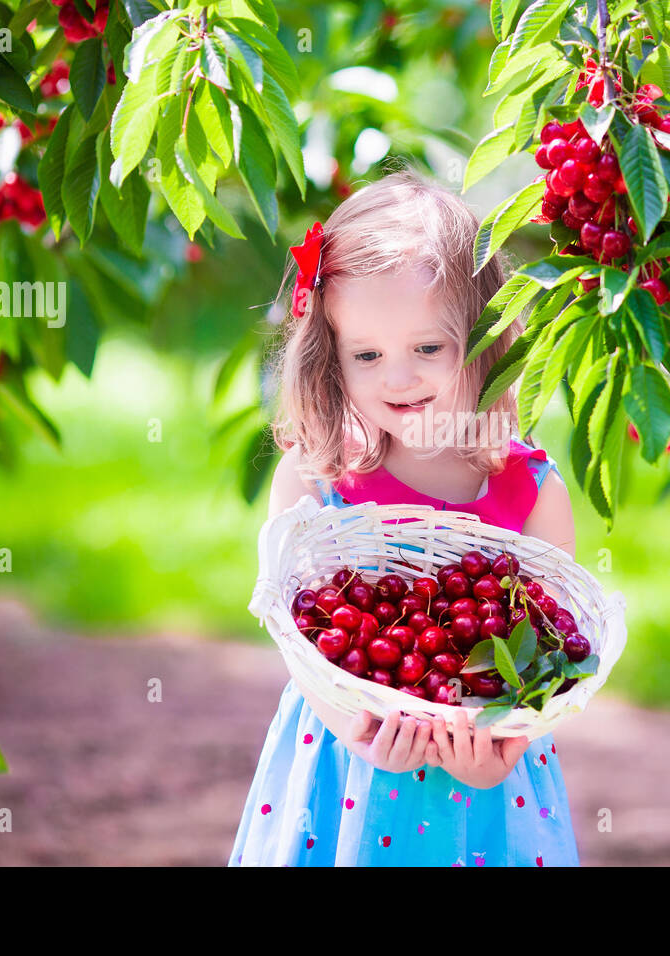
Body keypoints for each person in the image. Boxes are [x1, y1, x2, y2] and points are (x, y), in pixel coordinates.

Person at [229, 166, 580, 866]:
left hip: (488, 792)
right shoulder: (316, 476)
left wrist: (500, 749)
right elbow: (298, 641)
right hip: (344, 776)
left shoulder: (531, 490)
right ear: (331, 359)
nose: (398, 377)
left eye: (428, 348)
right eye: (367, 355)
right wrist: (356, 730)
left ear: (484, 343)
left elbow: (549, 659)